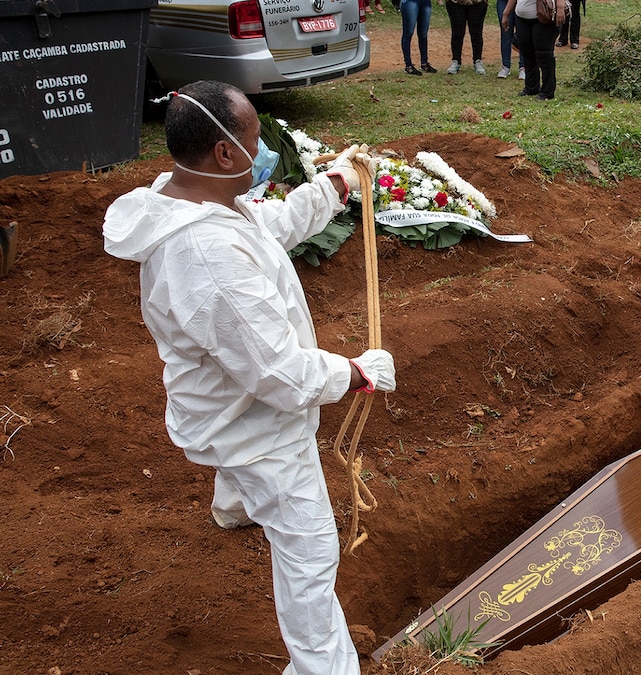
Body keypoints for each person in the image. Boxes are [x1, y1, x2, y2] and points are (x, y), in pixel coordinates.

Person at [102, 80, 397, 675]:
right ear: (225, 155)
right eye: (256, 140)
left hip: (218, 406)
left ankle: (233, 505)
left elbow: (269, 229)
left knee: (235, 461)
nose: (264, 152)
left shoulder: (196, 199)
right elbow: (278, 374)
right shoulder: (205, 259)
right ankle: (323, 668)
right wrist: (355, 371)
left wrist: (333, 188)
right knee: (310, 552)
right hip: (255, 428)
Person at [502, 0, 567, 100]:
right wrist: (506, 13)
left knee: (544, 54)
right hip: (522, 18)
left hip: (543, 17)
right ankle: (531, 87)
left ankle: (547, 91)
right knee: (527, 53)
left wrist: (560, 8)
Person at [446, 0, 489, 75]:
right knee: (457, 33)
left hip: (478, 3)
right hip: (455, 3)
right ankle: (456, 61)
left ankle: (477, 61)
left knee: (476, 33)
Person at [400, 0, 436, 76]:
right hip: (410, 2)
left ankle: (424, 63)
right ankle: (408, 65)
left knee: (423, 34)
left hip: (425, 2)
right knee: (408, 33)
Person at [495, 0, 525, 78]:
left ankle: (523, 67)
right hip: (503, 2)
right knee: (505, 33)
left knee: (522, 35)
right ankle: (505, 66)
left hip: (521, 2)